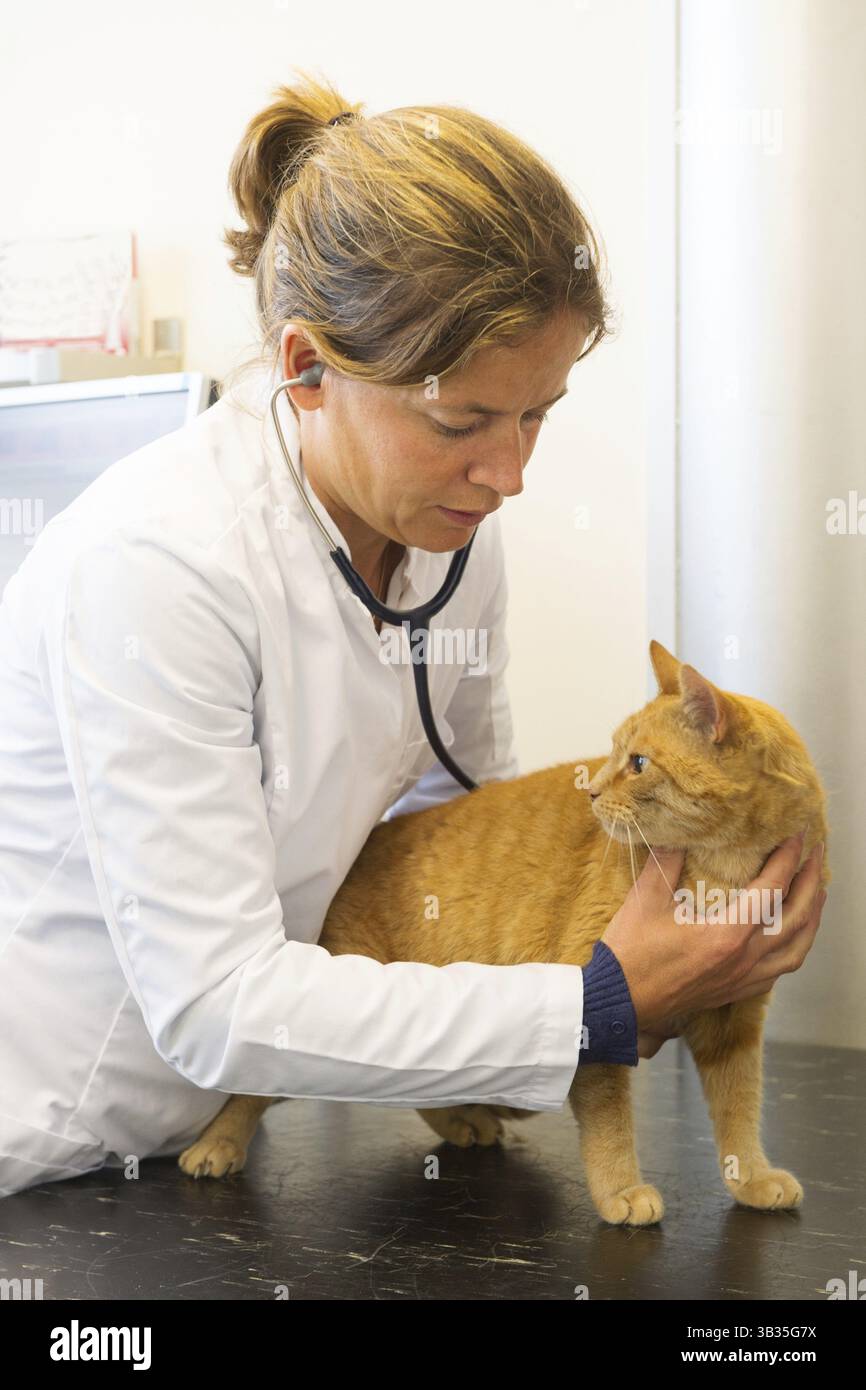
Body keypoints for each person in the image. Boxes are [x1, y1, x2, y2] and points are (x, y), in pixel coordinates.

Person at [0, 75, 826, 1197]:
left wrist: (669, 898)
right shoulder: (156, 567)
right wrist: (598, 997)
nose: (511, 474)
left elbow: (458, 825)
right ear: (305, 370)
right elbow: (216, 1000)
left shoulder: (449, 531)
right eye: (461, 422)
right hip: (65, 1136)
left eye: (536, 411)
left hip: (231, 1134)